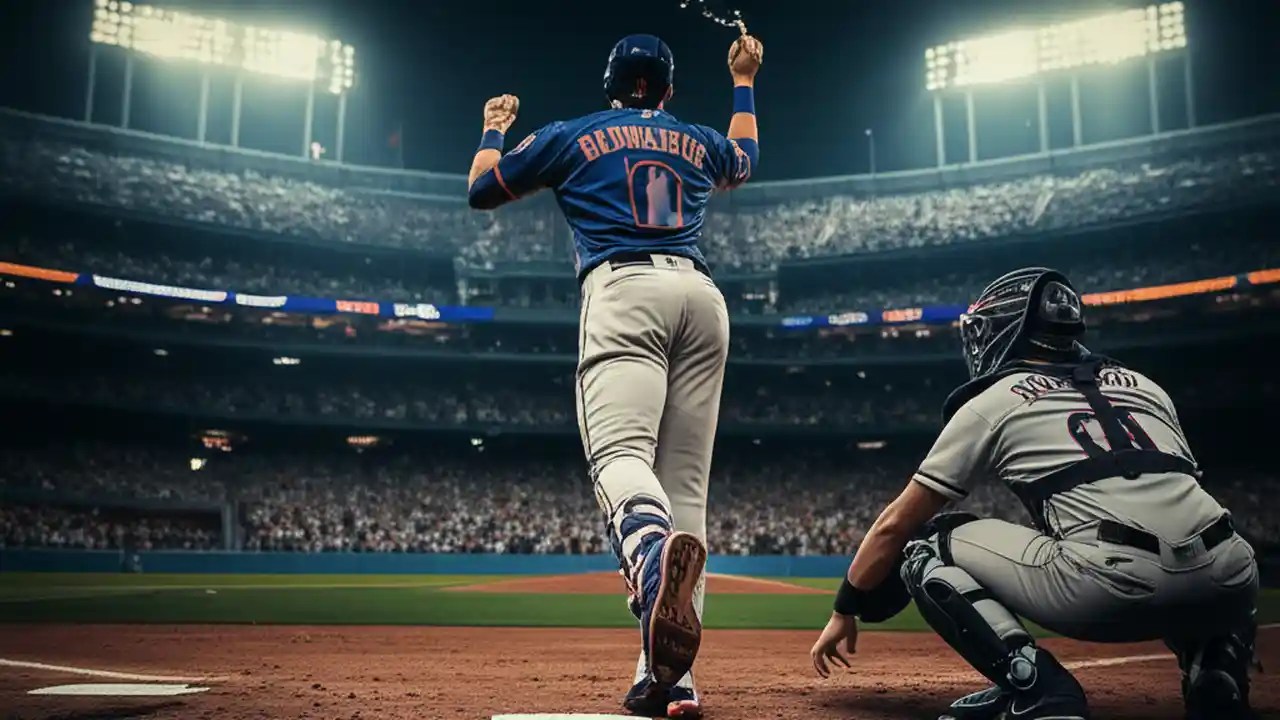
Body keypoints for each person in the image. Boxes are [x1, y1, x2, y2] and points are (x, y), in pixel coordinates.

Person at [466, 32, 764, 719]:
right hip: (701, 297)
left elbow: (483, 189)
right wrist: (744, 79)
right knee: (686, 491)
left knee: (620, 458)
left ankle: (651, 562)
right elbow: (745, 157)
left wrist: (493, 127)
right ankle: (671, 681)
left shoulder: (574, 133)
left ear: (610, 83)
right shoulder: (695, 138)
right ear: (667, 90)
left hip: (624, 287)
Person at [809, 268, 1259, 720]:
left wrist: (845, 608)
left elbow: (893, 526)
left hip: (1112, 589)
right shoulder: (1148, 388)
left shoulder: (995, 399)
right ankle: (1216, 666)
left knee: (926, 543)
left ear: (1008, 330)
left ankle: (1035, 686)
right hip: (1233, 579)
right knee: (1201, 541)